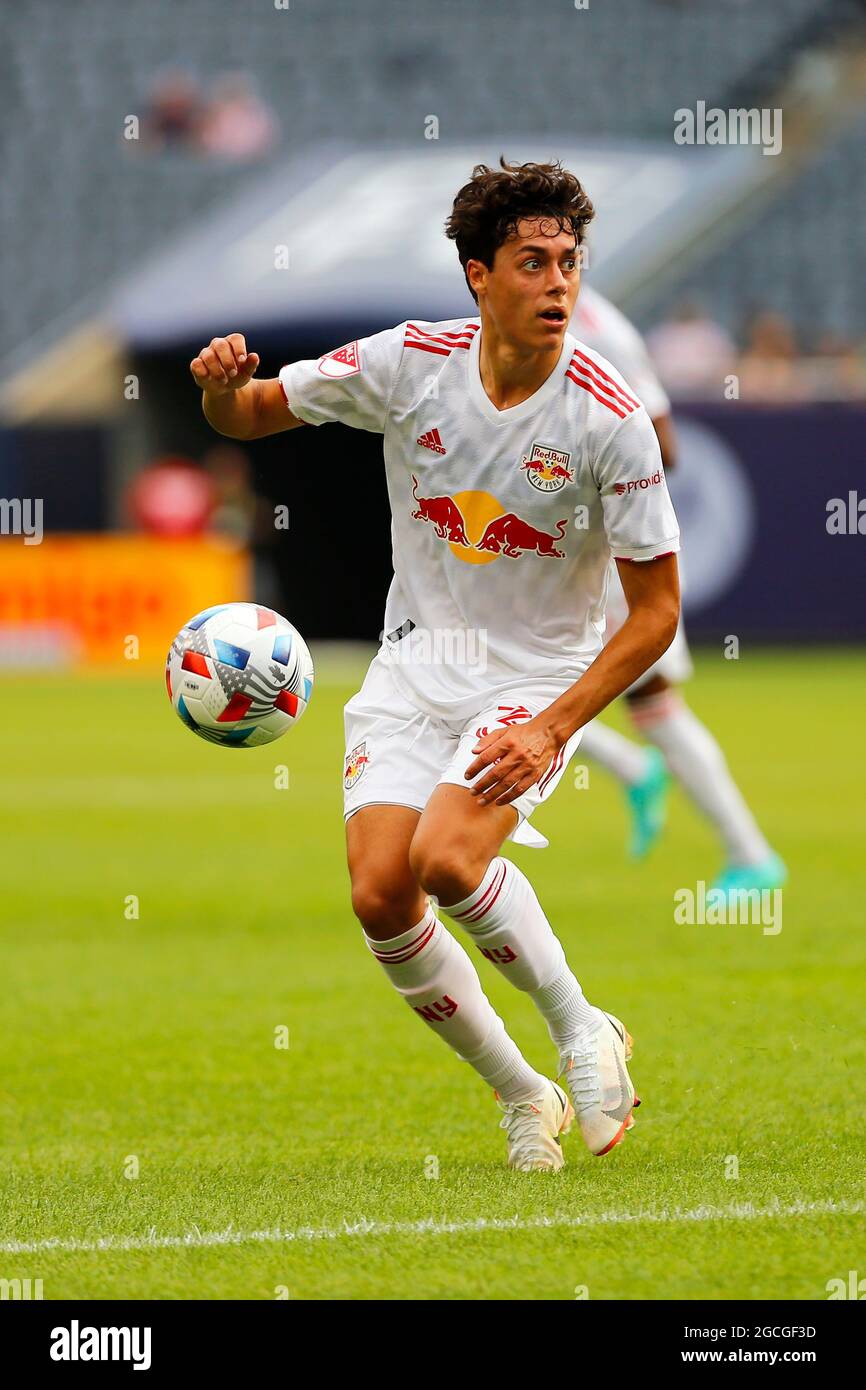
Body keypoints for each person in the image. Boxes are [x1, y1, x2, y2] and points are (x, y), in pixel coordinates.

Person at [190, 158, 681, 1172]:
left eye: (568, 262)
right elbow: (250, 417)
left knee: (448, 859)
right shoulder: (408, 363)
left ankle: (583, 1028)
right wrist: (222, 393)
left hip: (534, 678)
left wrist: (553, 725)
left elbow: (654, 615)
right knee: (380, 892)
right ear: (475, 275)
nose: (557, 284)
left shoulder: (607, 415)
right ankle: (523, 1094)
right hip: (414, 666)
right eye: (531, 262)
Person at [572, 287, 787, 894]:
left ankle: (748, 854)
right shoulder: (540, 319)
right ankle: (739, 847)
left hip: (609, 555)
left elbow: (664, 447)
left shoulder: (600, 333)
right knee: (498, 677)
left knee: (509, 680)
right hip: (567, 551)